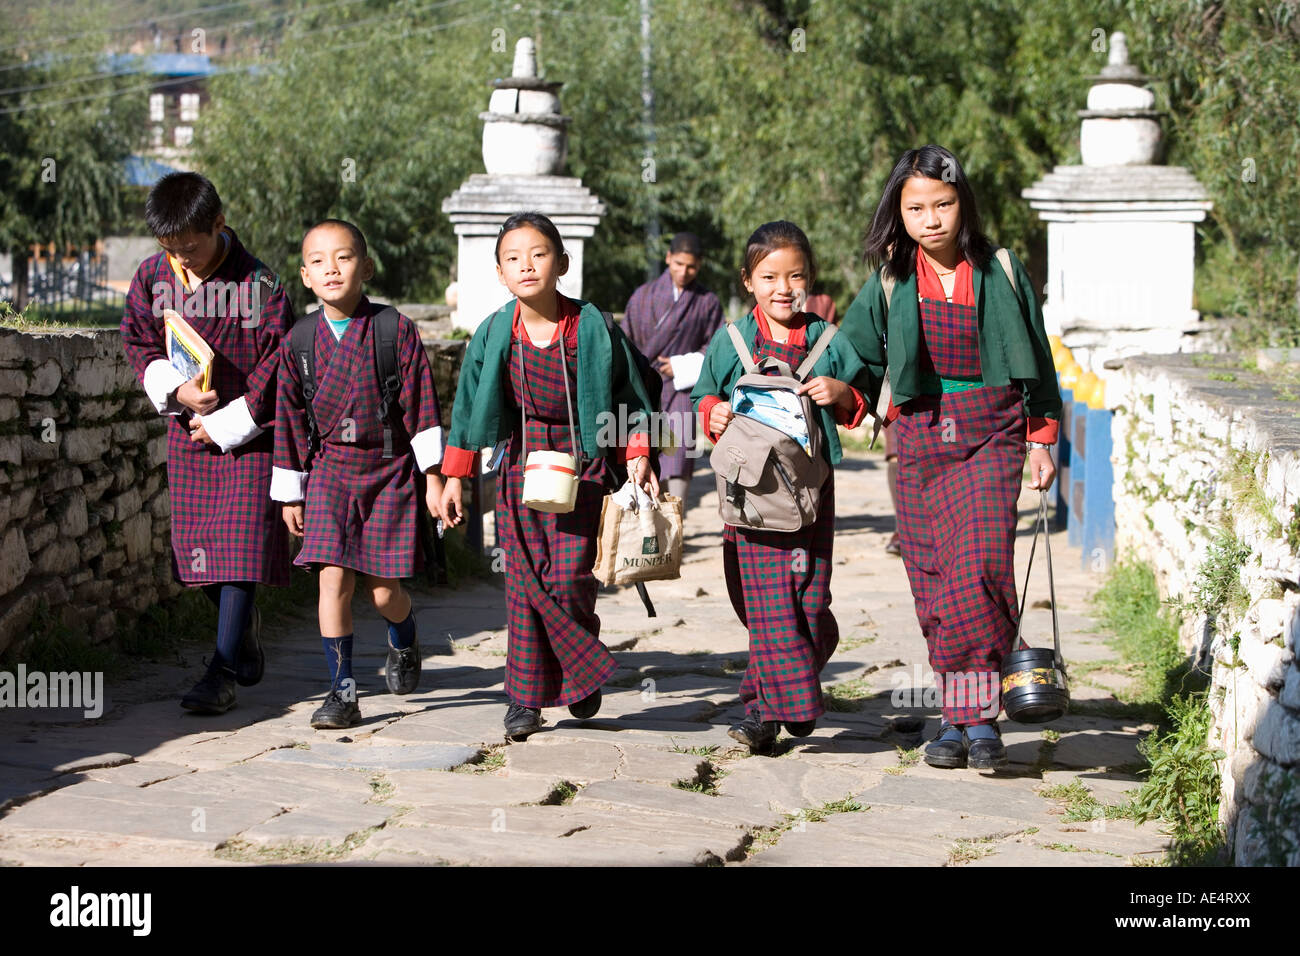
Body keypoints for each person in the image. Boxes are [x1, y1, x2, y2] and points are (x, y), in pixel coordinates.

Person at [839, 145, 1061, 770]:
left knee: (979, 572)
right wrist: (837, 396)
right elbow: (853, 359)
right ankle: (965, 721)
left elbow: (1039, 363)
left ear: (963, 204)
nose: (931, 218)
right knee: (934, 586)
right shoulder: (890, 279)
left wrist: (1042, 441)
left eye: (943, 203)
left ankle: (977, 718)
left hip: (993, 431)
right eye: (916, 208)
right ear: (899, 213)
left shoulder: (1003, 269)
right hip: (919, 438)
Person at [439, 212, 659, 741]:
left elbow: (633, 395)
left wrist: (639, 453)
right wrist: (453, 478)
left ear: (562, 263)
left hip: (583, 463)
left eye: (538, 254)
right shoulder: (494, 333)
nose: (527, 266)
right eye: (513, 258)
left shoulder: (595, 329)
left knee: (569, 580)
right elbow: (468, 410)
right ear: (499, 272)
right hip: (519, 463)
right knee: (522, 586)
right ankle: (525, 699)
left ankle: (580, 673)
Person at [692, 221, 872, 755]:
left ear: (810, 279)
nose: (783, 288)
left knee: (808, 601)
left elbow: (861, 404)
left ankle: (781, 694)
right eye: (769, 276)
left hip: (810, 492)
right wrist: (715, 413)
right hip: (747, 493)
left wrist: (840, 392)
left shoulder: (828, 340)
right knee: (763, 605)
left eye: (795, 276)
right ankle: (765, 713)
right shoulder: (731, 341)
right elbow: (704, 396)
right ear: (748, 280)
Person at [120, 172, 293, 715]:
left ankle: (219, 672)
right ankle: (242, 633)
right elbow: (138, 340)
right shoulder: (152, 275)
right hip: (186, 432)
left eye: (191, 248)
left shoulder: (260, 285)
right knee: (201, 558)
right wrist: (177, 391)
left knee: (239, 550)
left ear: (219, 225)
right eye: (171, 250)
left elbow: (279, 364)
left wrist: (230, 419)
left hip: (247, 436)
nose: (182, 261)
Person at [271, 220, 447, 729]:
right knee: (332, 583)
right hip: (328, 472)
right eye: (319, 261)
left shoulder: (394, 330)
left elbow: (422, 409)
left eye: (344, 258)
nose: (332, 268)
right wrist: (291, 492)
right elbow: (287, 419)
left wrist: (433, 478)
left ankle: (405, 635)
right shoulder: (299, 341)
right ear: (304, 275)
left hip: (388, 469)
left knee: (383, 592)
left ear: (366, 267)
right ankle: (342, 693)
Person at [622, 232, 724, 503]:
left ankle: (677, 520)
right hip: (644, 388)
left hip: (682, 390)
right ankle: (644, 517)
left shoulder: (707, 302)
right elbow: (625, 341)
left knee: (679, 454)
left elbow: (716, 347)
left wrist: (680, 365)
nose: (684, 271)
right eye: (678, 264)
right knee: (642, 449)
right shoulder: (642, 296)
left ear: (699, 264)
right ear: (668, 258)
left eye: (691, 266)